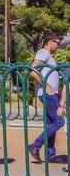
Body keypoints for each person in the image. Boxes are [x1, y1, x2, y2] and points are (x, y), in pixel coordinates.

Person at [28, 33, 64, 163]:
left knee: (51, 123)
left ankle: (51, 154)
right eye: (57, 43)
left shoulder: (48, 55)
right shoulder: (44, 53)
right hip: (48, 93)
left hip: (50, 93)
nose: (58, 45)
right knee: (59, 122)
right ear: (49, 41)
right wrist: (47, 85)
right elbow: (33, 70)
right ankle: (35, 145)